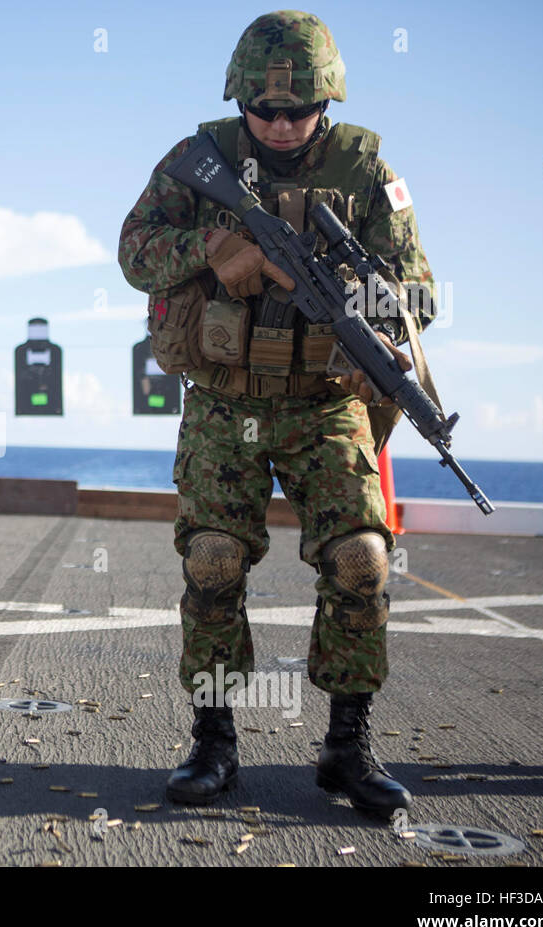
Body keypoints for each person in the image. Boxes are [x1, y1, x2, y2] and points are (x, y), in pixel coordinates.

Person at [118, 10, 435, 817]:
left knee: (363, 559)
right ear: (240, 99)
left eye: (300, 111)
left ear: (326, 102)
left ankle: (347, 746)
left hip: (326, 405)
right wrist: (213, 249)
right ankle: (215, 741)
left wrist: (380, 318)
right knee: (215, 560)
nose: (284, 124)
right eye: (265, 110)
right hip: (227, 400)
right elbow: (134, 249)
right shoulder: (202, 159)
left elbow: (418, 285)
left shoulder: (364, 168)